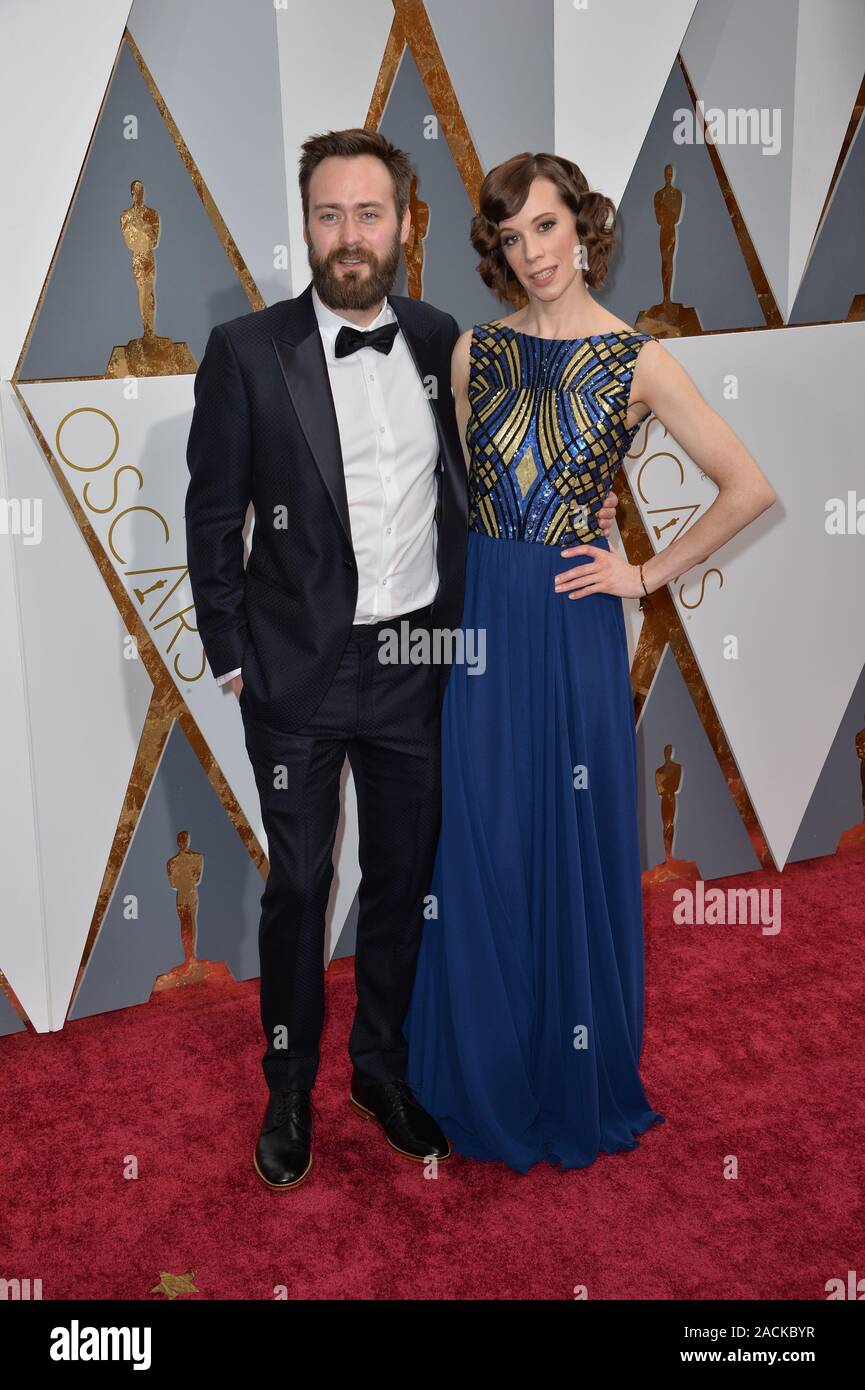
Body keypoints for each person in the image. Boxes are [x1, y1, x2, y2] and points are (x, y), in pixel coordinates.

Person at [185, 128, 620, 1191]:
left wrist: (596, 521)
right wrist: (234, 656)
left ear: (406, 224)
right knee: (299, 882)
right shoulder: (246, 350)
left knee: (404, 880)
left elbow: (503, 473)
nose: (348, 236)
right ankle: (287, 1086)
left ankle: (378, 1066)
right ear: (306, 225)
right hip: (293, 672)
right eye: (328, 214)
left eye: (368, 214)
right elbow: (210, 518)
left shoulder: (442, 340)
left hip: (422, 655)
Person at [403, 151, 776, 1173]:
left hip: (571, 616)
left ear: (585, 227)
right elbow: (448, 491)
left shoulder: (639, 360)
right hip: (485, 610)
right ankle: (474, 1072)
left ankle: (568, 1072)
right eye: (511, 237)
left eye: (546, 227)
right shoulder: (475, 352)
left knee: (565, 839)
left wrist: (645, 575)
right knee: (481, 838)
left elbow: (747, 486)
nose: (532, 253)